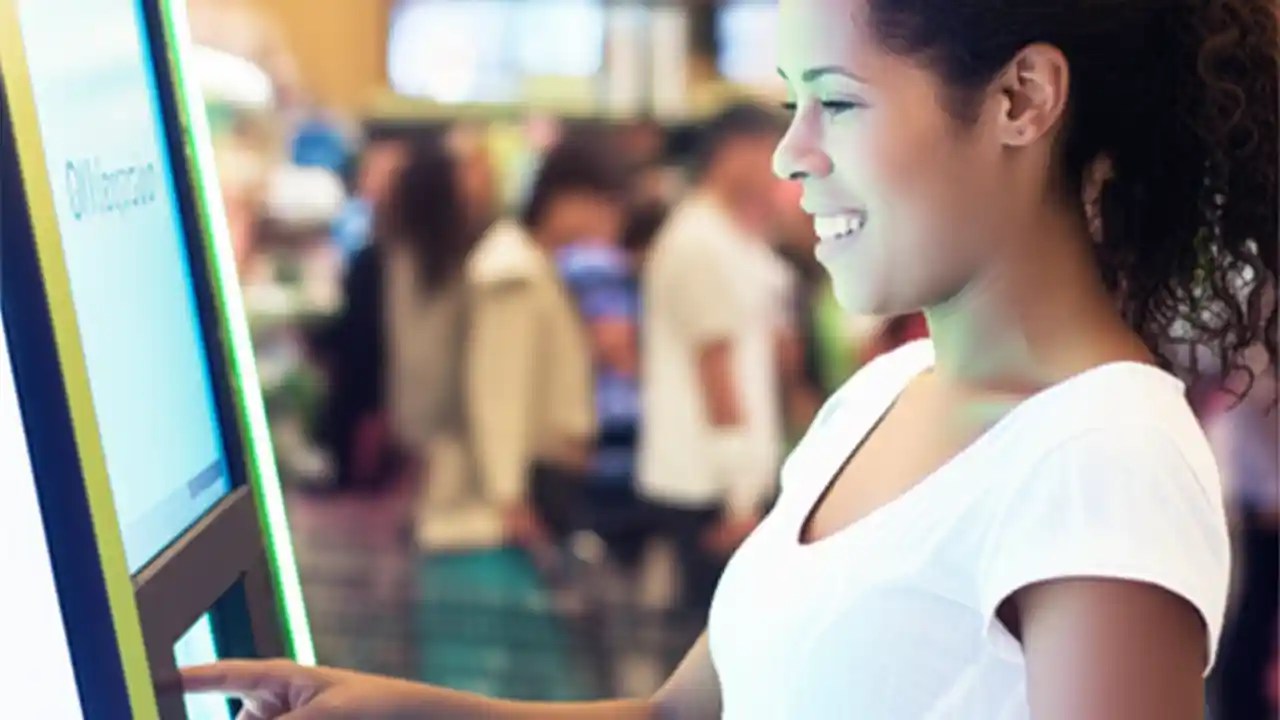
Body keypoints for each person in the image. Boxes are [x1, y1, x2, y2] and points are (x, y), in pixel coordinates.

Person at [182, 0, 1277, 715]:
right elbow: (678, 715)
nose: (790, 155)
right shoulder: (881, 396)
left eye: (835, 103)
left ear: (1019, 100)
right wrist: (377, 705)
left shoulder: (1100, 453)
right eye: (789, 102)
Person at [638, 103, 790, 625]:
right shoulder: (696, 241)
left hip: (724, 482)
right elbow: (715, 370)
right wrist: (740, 496)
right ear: (735, 153)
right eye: (770, 149)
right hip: (705, 486)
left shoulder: (732, 237)